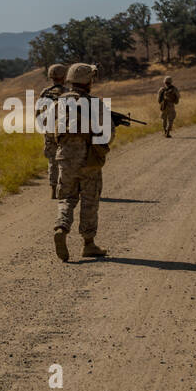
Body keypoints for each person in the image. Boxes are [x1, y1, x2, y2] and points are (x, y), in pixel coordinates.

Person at [53, 63, 113, 261]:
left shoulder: (59, 102)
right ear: (88, 81)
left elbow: (49, 130)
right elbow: (108, 134)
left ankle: (62, 227)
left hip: (64, 159)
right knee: (89, 200)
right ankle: (89, 244)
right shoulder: (95, 103)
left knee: (67, 198)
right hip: (89, 160)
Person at [38, 64, 67, 198]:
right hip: (62, 130)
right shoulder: (67, 91)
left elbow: (38, 112)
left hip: (48, 129)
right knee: (63, 159)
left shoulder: (44, 92)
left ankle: (52, 189)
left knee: (52, 160)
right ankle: (63, 188)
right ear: (64, 76)